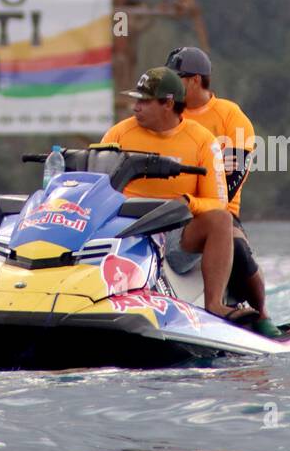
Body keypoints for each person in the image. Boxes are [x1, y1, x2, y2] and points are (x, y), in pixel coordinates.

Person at [98, 67, 244, 321]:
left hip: (175, 234)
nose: (135, 107)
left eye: (144, 101)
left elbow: (218, 203)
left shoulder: (202, 140)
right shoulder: (119, 133)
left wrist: (187, 203)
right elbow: (98, 183)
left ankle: (215, 305)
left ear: (167, 103)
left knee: (222, 220)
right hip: (124, 231)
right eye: (136, 99)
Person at [164, 45, 276, 334]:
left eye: (176, 79)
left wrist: (196, 202)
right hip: (166, 210)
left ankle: (262, 315)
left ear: (195, 80)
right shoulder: (165, 114)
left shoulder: (230, 116)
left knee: (235, 244)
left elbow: (232, 179)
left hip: (216, 209)